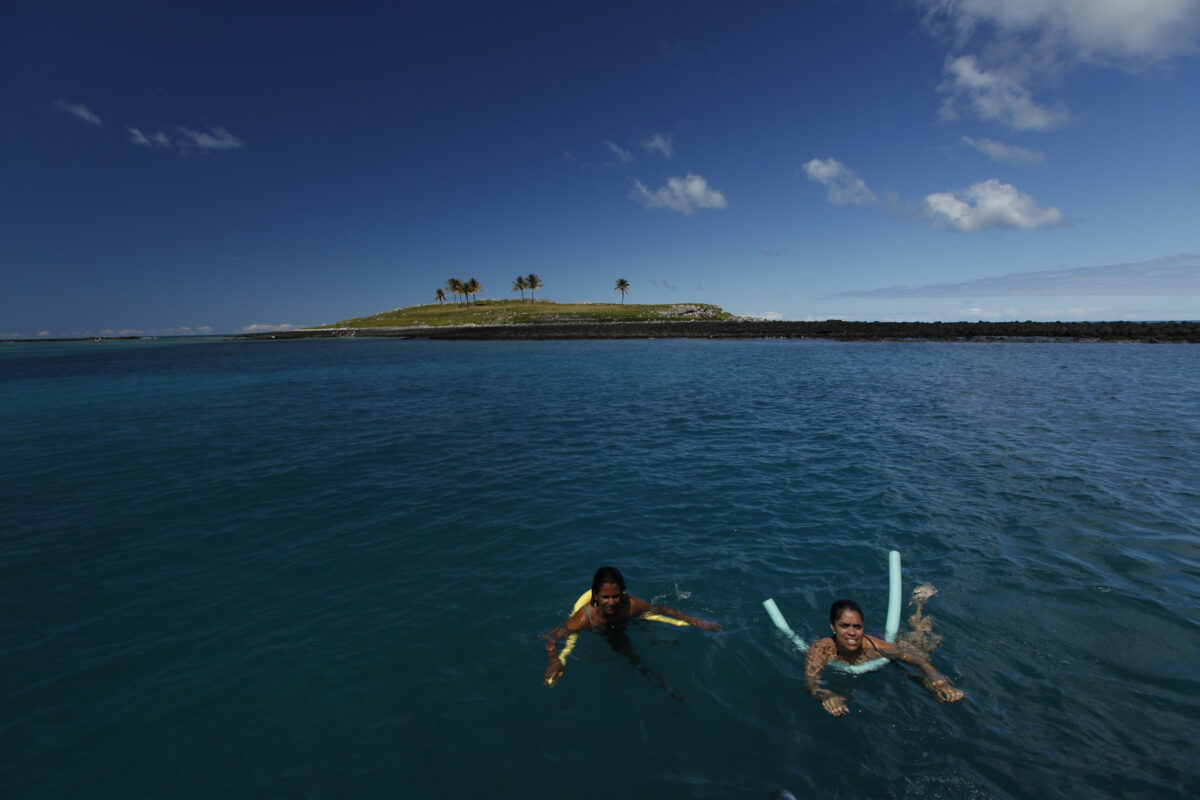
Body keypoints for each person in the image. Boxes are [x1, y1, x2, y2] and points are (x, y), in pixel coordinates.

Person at [542, 566, 721, 687]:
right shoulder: (584, 618)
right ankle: (654, 679)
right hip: (602, 631)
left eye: (616, 596)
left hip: (627, 621)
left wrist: (694, 621)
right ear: (595, 595)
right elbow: (551, 637)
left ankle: (655, 676)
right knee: (631, 656)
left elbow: (662, 609)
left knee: (658, 639)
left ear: (623, 593)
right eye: (605, 597)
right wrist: (554, 660)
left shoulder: (632, 604)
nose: (611, 602)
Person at [805, 598, 964, 717]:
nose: (852, 632)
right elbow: (811, 682)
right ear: (833, 627)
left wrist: (938, 680)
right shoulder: (822, 650)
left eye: (858, 626)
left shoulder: (873, 645)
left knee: (924, 643)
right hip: (866, 665)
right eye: (845, 626)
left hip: (878, 653)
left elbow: (916, 658)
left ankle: (918, 609)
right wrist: (825, 694)